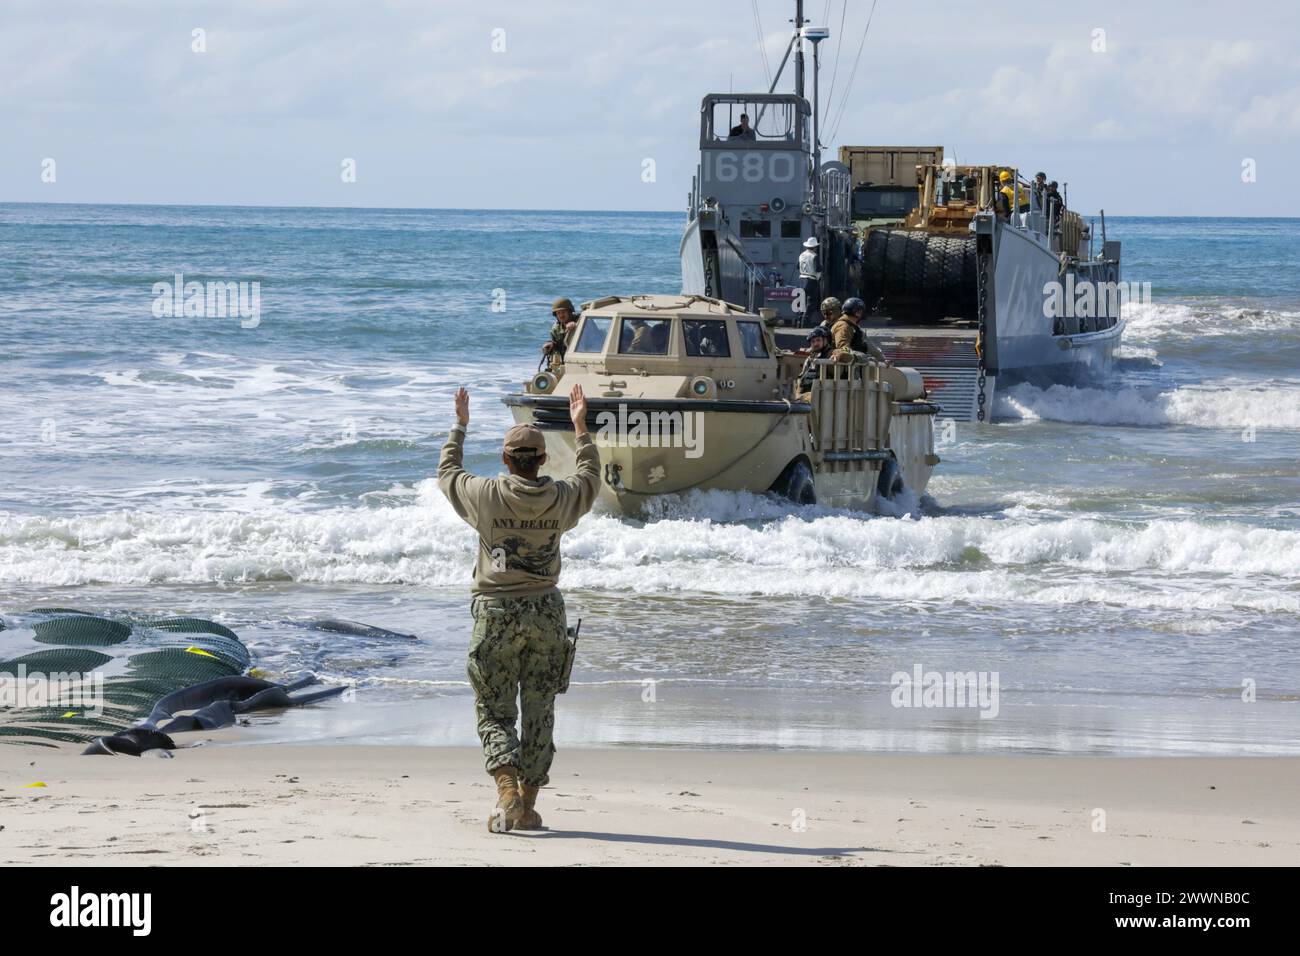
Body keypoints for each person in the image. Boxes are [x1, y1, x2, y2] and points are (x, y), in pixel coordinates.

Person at [437, 384, 600, 833]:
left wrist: (460, 425)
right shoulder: (562, 499)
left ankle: (507, 793)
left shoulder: (486, 496)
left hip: (495, 612)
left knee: (494, 708)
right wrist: (581, 426)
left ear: (507, 459)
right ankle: (527, 804)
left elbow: (448, 471)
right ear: (543, 460)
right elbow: (591, 475)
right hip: (547, 610)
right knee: (541, 707)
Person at [831, 297, 888, 364]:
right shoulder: (843, 326)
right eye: (861, 311)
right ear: (857, 312)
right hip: (845, 369)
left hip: (853, 366)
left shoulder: (855, 327)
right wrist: (860, 357)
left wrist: (883, 360)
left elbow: (869, 346)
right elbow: (843, 348)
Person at [542, 298, 579, 369]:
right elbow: (557, 345)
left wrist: (576, 325)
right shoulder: (556, 328)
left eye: (563, 312)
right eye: (558, 313)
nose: (561, 315)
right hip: (565, 363)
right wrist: (550, 345)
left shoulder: (582, 320)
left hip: (583, 361)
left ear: (570, 311)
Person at [797, 325, 833, 395]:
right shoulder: (810, 359)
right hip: (808, 396)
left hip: (825, 395)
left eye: (818, 340)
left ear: (825, 340)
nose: (815, 344)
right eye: (813, 341)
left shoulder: (831, 355)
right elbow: (802, 378)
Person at [798, 237, 821, 327]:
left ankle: (799, 321)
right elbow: (818, 268)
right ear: (814, 247)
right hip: (811, 280)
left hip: (801, 280)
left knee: (801, 302)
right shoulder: (814, 256)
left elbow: (797, 266)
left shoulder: (801, 255)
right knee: (811, 303)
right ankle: (805, 322)